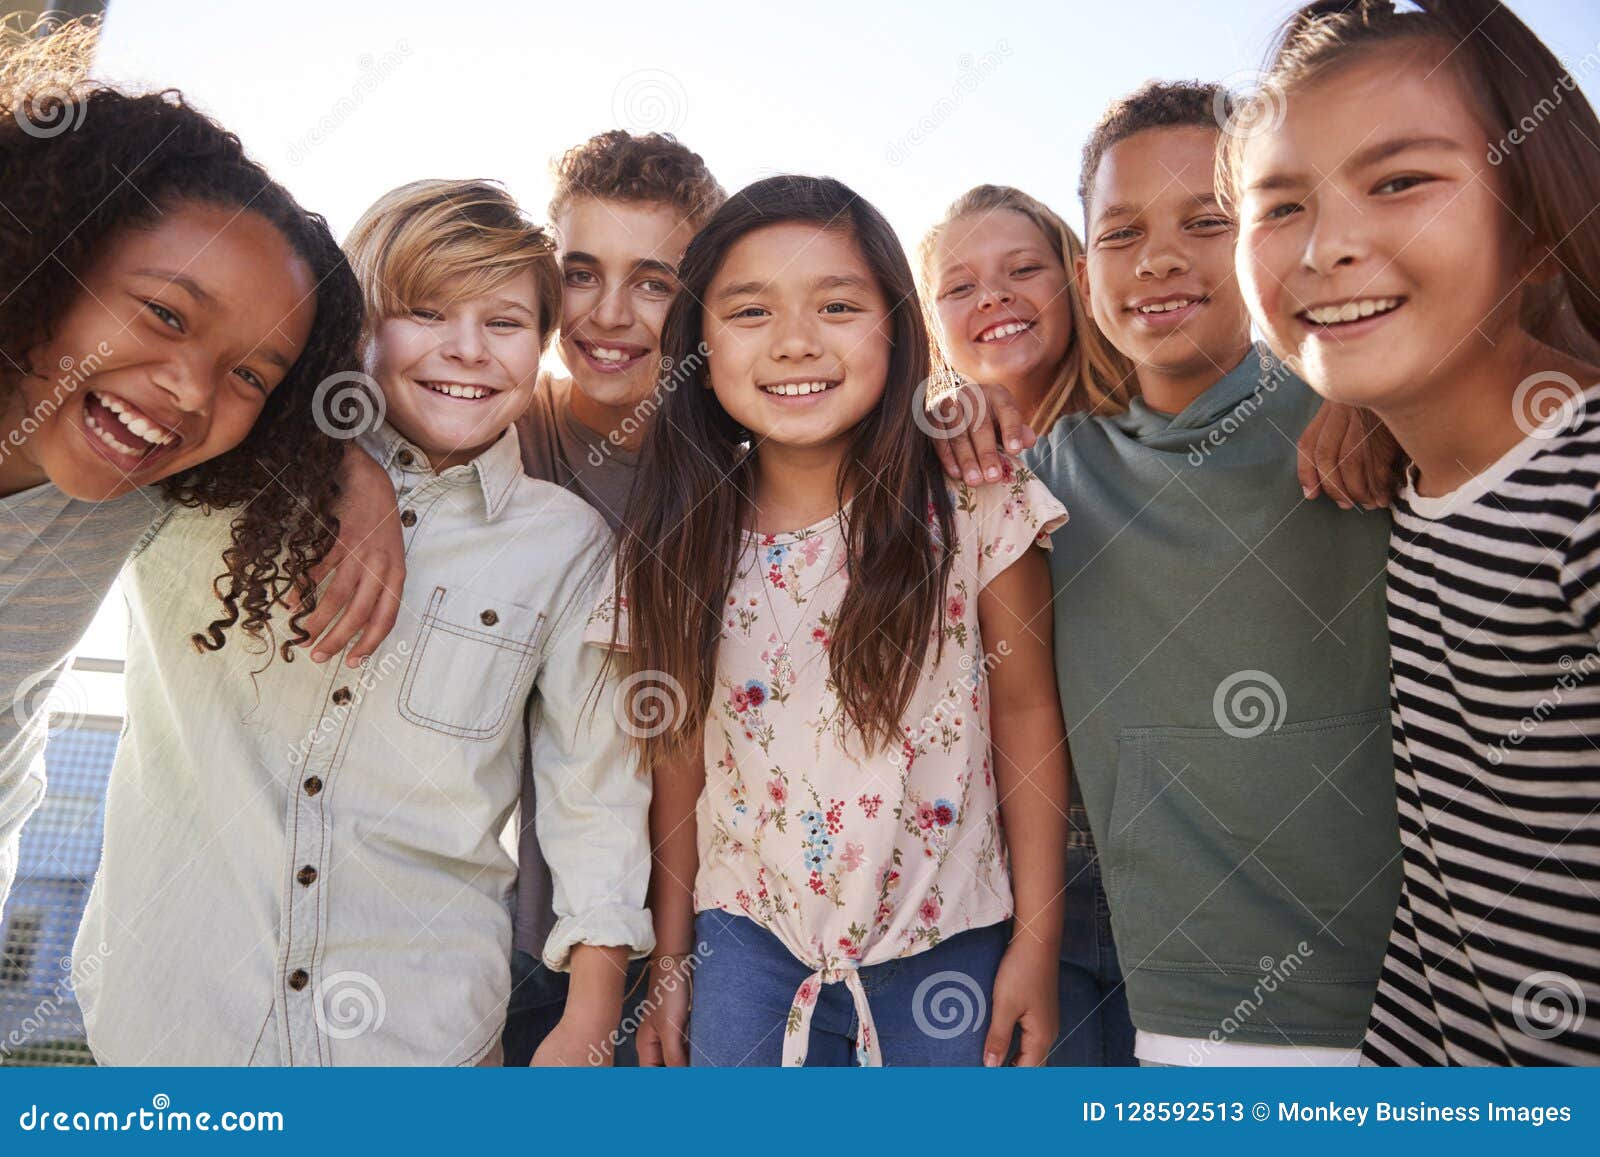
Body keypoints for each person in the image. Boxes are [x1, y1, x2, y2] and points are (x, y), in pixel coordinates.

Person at [73, 180, 652, 1065]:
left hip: (422, 1041)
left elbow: (596, 789)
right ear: (356, 330)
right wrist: (338, 451)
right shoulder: (216, 462)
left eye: (504, 324)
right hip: (175, 1030)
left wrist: (589, 1013)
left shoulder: (563, 543)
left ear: (541, 349)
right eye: (424, 311)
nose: (467, 350)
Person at [617, 175, 1070, 1066]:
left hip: (951, 943)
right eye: (749, 312)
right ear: (697, 345)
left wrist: (1037, 943)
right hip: (744, 945)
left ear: (898, 327)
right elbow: (674, 758)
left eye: (836, 305)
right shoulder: (680, 531)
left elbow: (1024, 713)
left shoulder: (976, 503)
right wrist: (671, 958)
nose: (794, 342)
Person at [1230, 0, 1600, 1065]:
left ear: (1532, 218)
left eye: (1399, 182)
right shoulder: (1420, 465)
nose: (1327, 247)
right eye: (1279, 205)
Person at [1021, 80, 1402, 1066]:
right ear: (1081, 267)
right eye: (1120, 232)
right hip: (1185, 1011)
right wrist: (960, 411)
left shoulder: (1368, 422)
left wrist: (1371, 392)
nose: (1157, 258)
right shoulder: (1053, 478)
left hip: (1405, 998)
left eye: (1207, 220)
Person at [0, 17, 403, 921]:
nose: (188, 390)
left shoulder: (142, 472)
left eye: (251, 374)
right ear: (46, 252)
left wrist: (355, 469)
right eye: (165, 314)